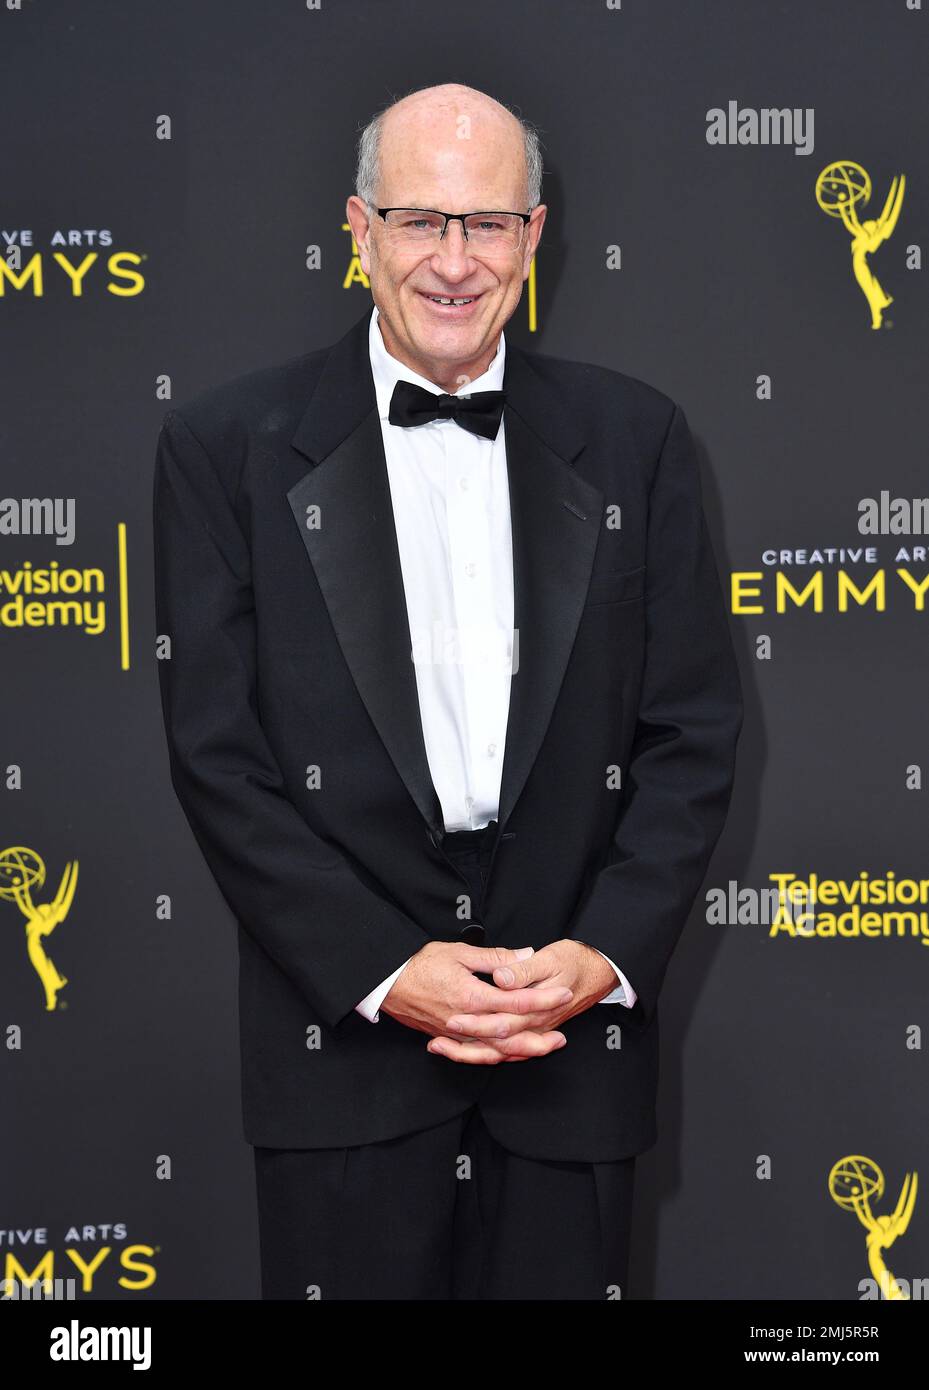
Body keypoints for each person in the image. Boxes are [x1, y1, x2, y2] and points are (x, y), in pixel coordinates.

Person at [152, 81, 743, 1300]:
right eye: (421, 221)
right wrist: (383, 966)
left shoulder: (638, 439)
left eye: (485, 225)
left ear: (534, 240)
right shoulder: (225, 450)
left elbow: (690, 734)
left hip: (568, 1057)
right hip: (342, 1063)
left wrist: (601, 954)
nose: (453, 262)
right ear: (357, 229)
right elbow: (219, 757)